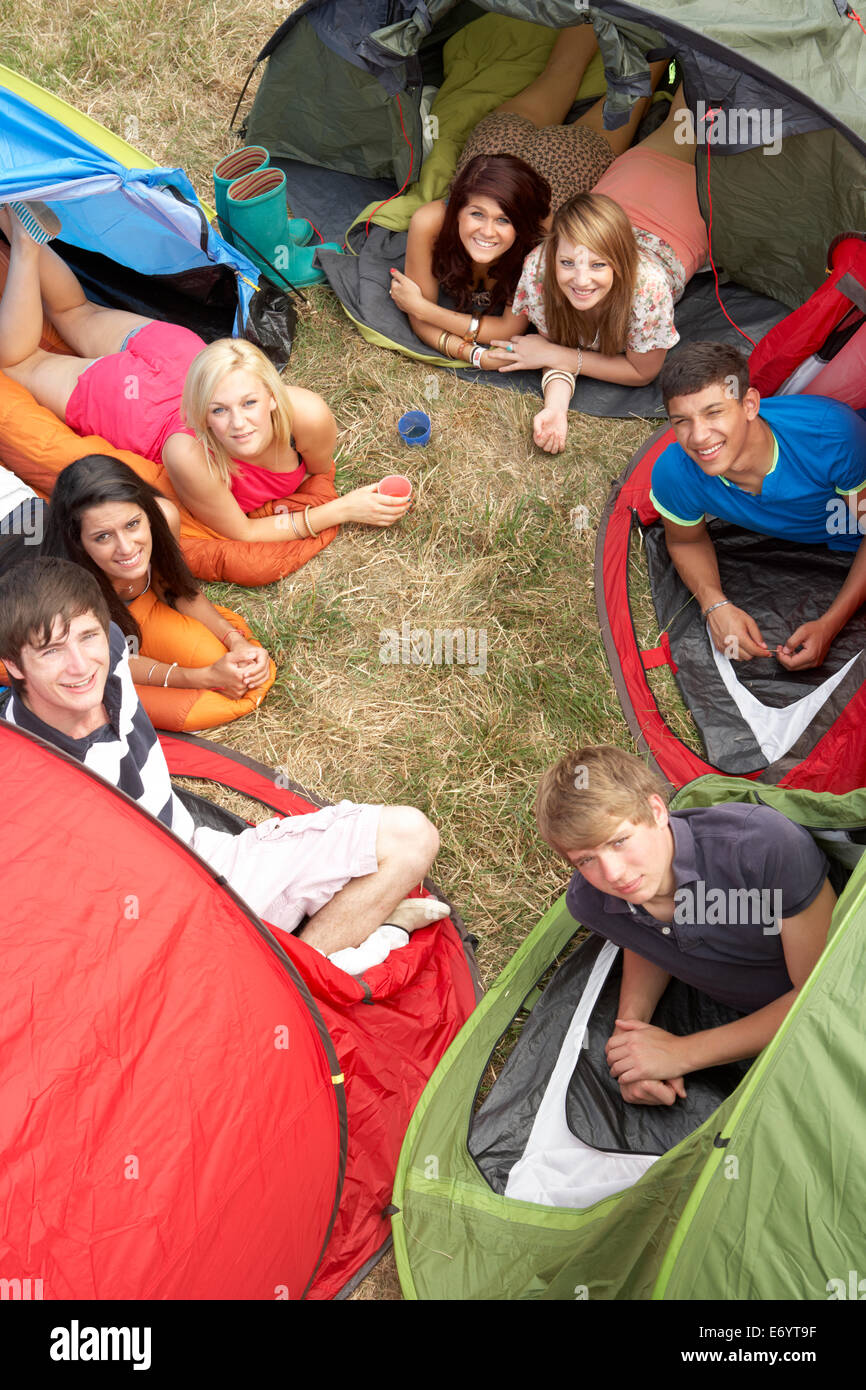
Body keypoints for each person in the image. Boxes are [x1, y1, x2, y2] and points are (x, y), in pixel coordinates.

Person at [0, 557, 451, 965]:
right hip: (155, 929)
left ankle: (302, 970)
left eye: (88, 637)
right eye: (51, 651)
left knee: (410, 837)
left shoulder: (111, 650)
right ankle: (352, 945)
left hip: (208, 858)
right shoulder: (28, 778)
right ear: (14, 666)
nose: (80, 666)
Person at [0, 205, 410, 546]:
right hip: (136, 402)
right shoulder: (190, 454)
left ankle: (17, 221)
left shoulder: (308, 415)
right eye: (219, 411)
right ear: (200, 414)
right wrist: (341, 510)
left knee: (77, 313)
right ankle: (23, 245)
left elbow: (320, 471)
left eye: (249, 403)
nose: (238, 423)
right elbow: (243, 532)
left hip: (184, 356)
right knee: (20, 363)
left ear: (273, 395)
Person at [535, 745, 835, 1106]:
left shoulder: (762, 848)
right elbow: (642, 939)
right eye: (586, 860)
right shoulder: (590, 902)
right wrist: (632, 1046)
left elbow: (821, 996)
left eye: (619, 841)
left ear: (656, 811)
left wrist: (682, 1053)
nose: (612, 874)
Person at [387, 25, 667, 367]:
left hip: (567, 162)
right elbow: (417, 317)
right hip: (498, 149)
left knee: (635, 88)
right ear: (457, 207)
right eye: (476, 215)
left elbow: (497, 325)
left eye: (503, 221)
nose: (487, 231)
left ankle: (659, 25)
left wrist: (427, 311)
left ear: (520, 223)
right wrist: (474, 353)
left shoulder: (540, 235)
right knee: (564, 72)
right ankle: (596, 10)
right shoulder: (429, 221)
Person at [492, 87, 708, 452]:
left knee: (702, 115)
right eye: (567, 262)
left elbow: (642, 372)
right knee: (705, 128)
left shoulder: (646, 289)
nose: (580, 280)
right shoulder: (541, 271)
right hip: (638, 195)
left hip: (676, 194)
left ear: (620, 263)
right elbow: (559, 347)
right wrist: (555, 408)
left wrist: (556, 355)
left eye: (597, 266)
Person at [650, 341, 866, 670]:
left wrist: (830, 625)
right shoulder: (675, 473)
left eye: (713, 413)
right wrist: (715, 605)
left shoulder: (831, 436)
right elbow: (685, 541)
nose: (699, 436)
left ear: (750, 404)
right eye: (682, 421)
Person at [39, 454, 275, 724]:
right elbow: (103, 658)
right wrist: (202, 678)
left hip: (135, 614)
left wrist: (236, 641)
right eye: (103, 537)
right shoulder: (63, 585)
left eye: (132, 524)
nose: (126, 548)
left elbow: (174, 586)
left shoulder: (163, 515)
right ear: (78, 541)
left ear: (147, 515)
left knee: (213, 654)